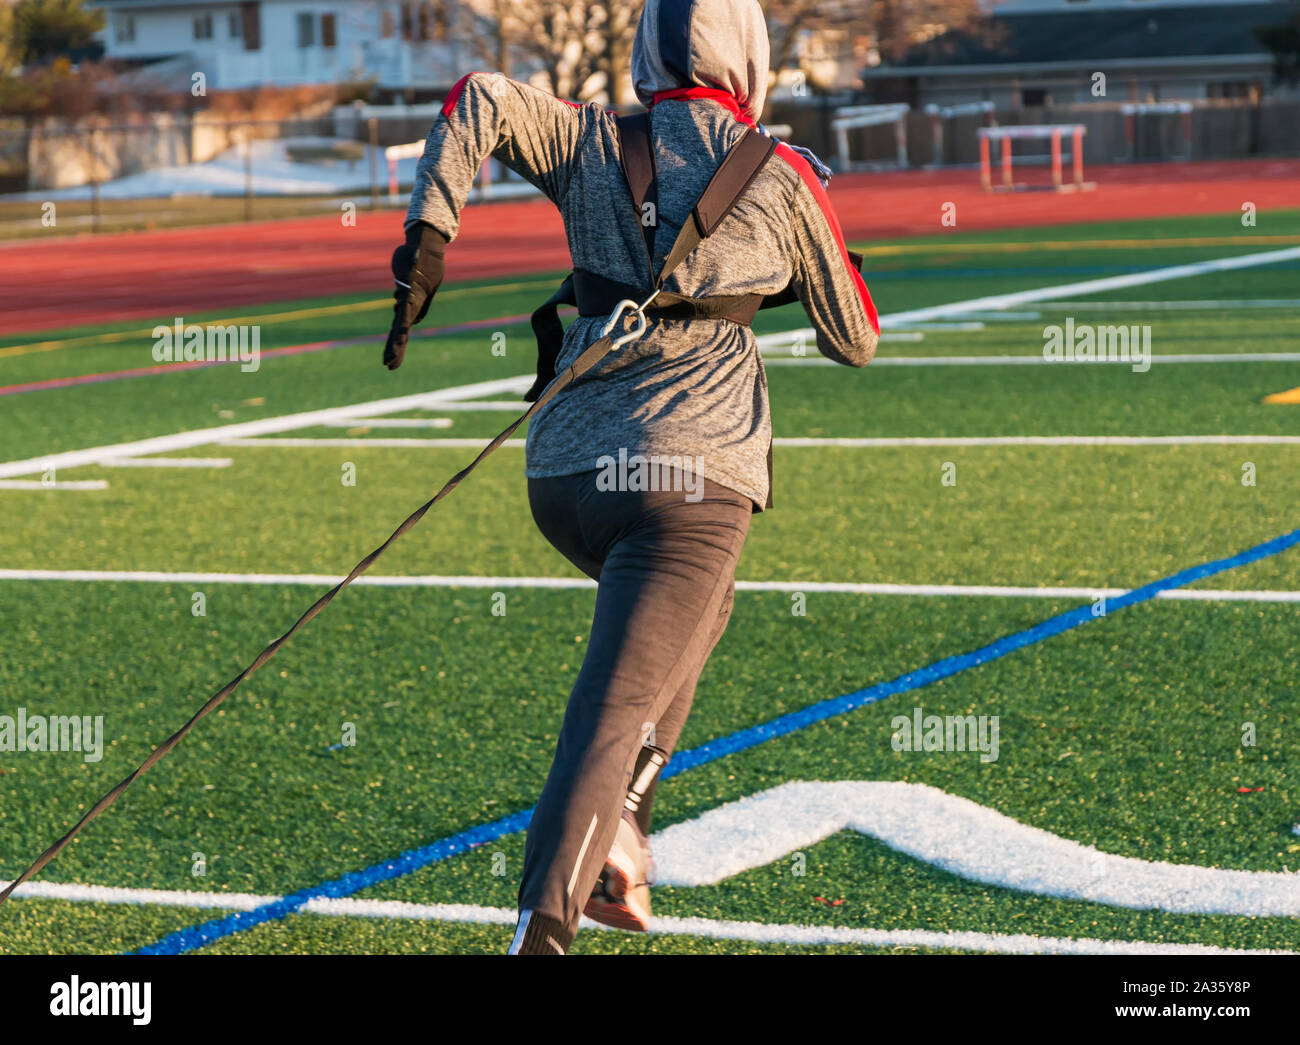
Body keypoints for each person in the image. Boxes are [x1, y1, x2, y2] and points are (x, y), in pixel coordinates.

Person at [382, 0, 879, 955]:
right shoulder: (782, 172)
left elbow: (477, 95)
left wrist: (429, 238)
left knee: (702, 606)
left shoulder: (587, 137)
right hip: (688, 480)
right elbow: (854, 337)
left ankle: (625, 822)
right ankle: (544, 929)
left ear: (648, 50)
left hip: (565, 473)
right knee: (609, 710)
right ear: (750, 55)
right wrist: (801, 255)